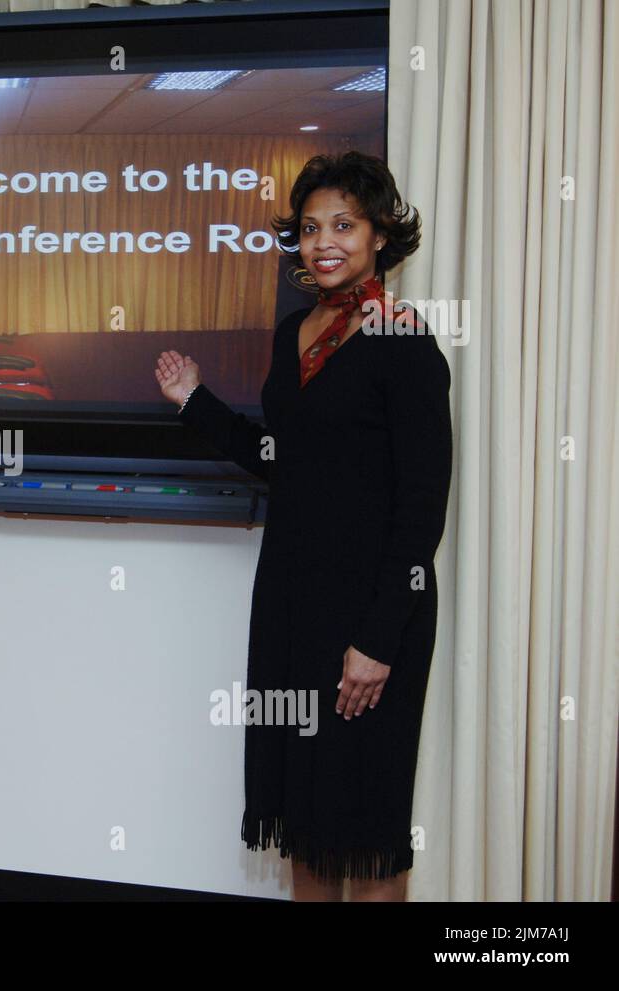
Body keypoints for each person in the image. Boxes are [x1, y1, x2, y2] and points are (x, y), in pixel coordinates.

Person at [154, 152, 452, 901]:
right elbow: (281, 456)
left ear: (380, 234)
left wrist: (378, 641)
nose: (325, 241)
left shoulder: (404, 337)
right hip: (292, 603)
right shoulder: (296, 329)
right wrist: (197, 402)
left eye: (344, 225)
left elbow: (423, 502)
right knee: (305, 812)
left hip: (374, 616)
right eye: (312, 226)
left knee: (368, 829)